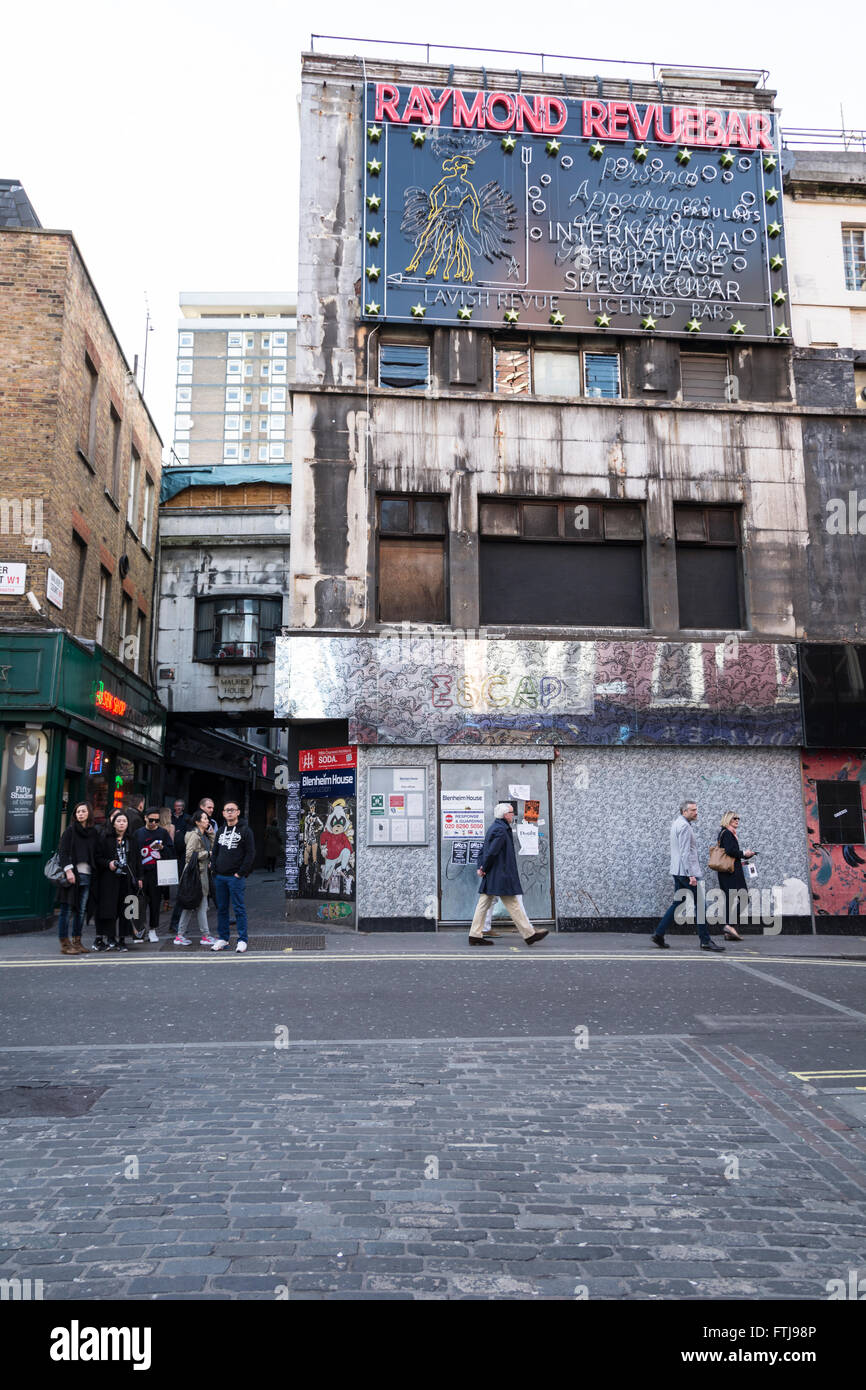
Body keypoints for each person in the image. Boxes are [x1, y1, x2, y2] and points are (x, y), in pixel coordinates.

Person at [468, 803, 548, 947]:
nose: (513, 815)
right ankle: (529, 934)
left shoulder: (495, 827)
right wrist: (483, 867)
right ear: (505, 815)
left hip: (494, 874)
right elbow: (491, 851)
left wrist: (482, 867)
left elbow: (484, 849)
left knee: (484, 903)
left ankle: (475, 934)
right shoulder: (501, 830)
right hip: (501, 874)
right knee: (513, 904)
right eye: (511, 812)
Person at [651, 799, 724, 952]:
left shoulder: (677, 823)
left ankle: (659, 934)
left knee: (678, 902)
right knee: (701, 905)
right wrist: (690, 875)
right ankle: (705, 941)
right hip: (686, 872)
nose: (696, 812)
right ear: (684, 812)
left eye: (696, 810)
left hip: (677, 871)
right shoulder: (684, 826)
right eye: (692, 810)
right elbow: (685, 852)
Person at [93, 810, 142, 951]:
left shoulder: (132, 840)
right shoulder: (105, 838)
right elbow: (98, 858)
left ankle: (122, 940)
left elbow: (137, 861)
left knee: (126, 911)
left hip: (127, 880)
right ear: (113, 824)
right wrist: (109, 863)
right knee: (110, 910)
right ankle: (110, 938)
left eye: (124, 821)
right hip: (109, 880)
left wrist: (139, 877)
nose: (122, 823)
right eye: (119, 821)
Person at [211, 801, 255, 952]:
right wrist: (215, 870)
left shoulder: (246, 831)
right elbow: (215, 851)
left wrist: (240, 873)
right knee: (222, 909)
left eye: (232, 810)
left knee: (239, 909)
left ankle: (242, 940)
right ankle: (223, 938)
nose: (229, 812)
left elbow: (250, 854)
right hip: (220, 877)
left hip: (235, 877)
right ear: (223, 813)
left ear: (238, 812)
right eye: (227, 810)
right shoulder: (221, 830)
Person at [55, 802, 97, 955]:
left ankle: (77, 942)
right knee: (66, 910)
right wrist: (68, 871)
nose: (80, 814)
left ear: (89, 813)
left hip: (87, 875)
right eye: (78, 811)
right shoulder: (70, 831)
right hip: (72, 876)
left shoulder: (92, 833)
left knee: (81, 911)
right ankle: (65, 944)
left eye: (83, 811)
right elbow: (63, 852)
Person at [173, 810, 216, 947]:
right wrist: (206, 854)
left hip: (202, 874)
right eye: (204, 818)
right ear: (197, 822)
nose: (207, 820)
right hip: (195, 876)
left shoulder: (204, 835)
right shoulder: (194, 835)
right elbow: (189, 855)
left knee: (189, 907)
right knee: (201, 905)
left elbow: (215, 848)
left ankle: (180, 935)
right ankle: (206, 936)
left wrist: (211, 834)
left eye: (207, 818)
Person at [714, 811, 757, 942]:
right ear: (728, 819)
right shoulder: (727, 833)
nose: (737, 820)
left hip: (726, 872)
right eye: (734, 818)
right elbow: (730, 851)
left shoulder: (727, 833)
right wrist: (745, 853)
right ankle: (729, 926)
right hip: (731, 872)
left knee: (730, 900)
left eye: (738, 818)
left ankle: (729, 931)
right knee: (744, 899)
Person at [135, 808, 174, 943]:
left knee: (155, 903)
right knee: (139, 904)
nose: (153, 823)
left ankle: (153, 930)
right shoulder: (138, 833)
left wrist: (162, 848)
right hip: (141, 872)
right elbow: (133, 855)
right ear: (145, 818)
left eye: (157, 820)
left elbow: (171, 851)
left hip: (157, 872)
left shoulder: (162, 833)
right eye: (151, 820)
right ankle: (139, 931)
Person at [158, 806, 176, 911]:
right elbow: (171, 842)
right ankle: (166, 902)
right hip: (167, 854)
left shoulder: (157, 826)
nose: (171, 815)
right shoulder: (171, 827)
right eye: (169, 813)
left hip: (157, 853)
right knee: (165, 880)